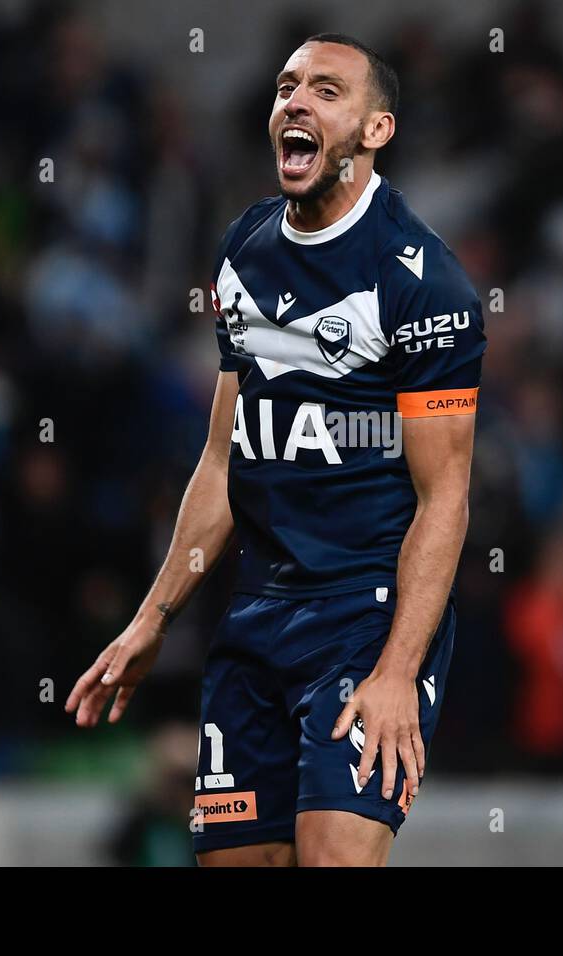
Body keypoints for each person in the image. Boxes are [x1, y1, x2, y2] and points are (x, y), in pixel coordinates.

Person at [66, 33, 485, 866]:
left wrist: (398, 670)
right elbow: (225, 459)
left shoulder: (423, 284)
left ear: (375, 131)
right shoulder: (245, 251)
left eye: (327, 91)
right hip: (257, 614)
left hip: (365, 618)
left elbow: (446, 498)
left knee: (332, 857)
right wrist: (153, 619)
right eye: (288, 86)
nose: (296, 102)